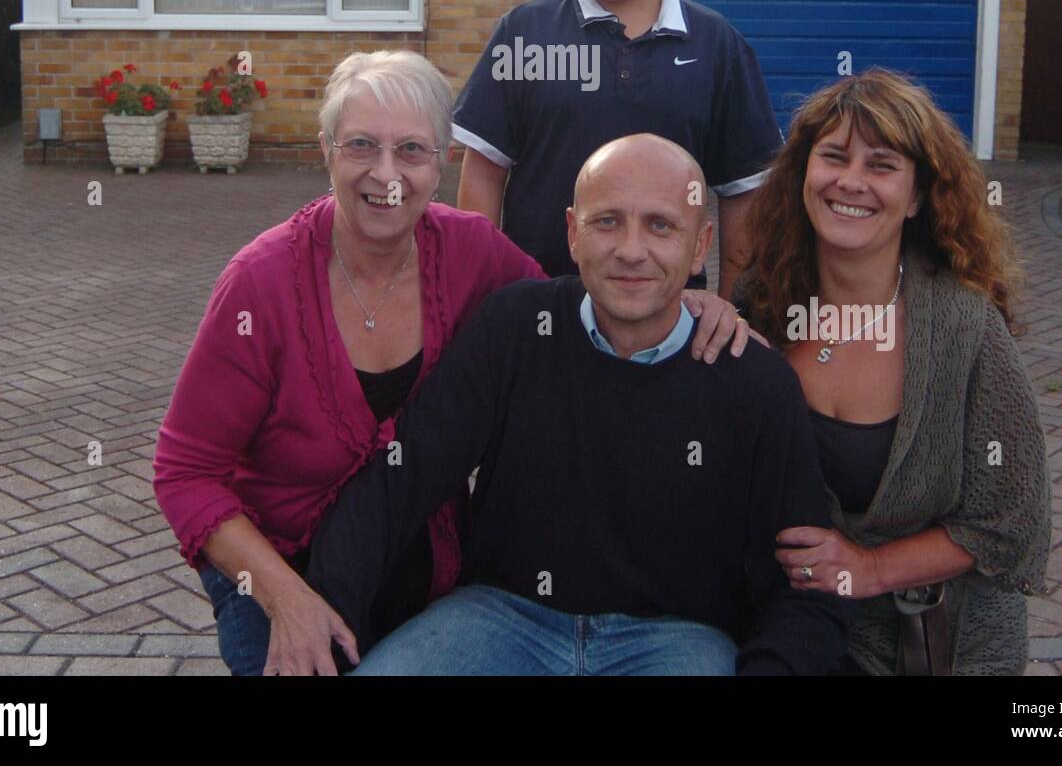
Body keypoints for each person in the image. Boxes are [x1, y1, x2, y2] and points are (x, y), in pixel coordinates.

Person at [153, 52, 750, 676]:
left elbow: (575, 309)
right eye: (361, 145)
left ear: (443, 161)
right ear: (326, 150)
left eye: (412, 150)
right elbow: (185, 473)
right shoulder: (261, 283)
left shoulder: (471, 253)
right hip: (277, 561)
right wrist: (285, 597)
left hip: (419, 550)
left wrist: (686, 302)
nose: (386, 173)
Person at [301, 134, 852, 676]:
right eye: (606, 221)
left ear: (699, 245)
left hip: (677, 637)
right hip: (500, 616)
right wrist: (322, 615)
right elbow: (401, 480)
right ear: (572, 233)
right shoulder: (514, 329)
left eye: (661, 226)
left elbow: (805, 579)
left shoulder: (754, 381)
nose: (631, 250)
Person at [733, 68, 1051, 676]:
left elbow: (1013, 520)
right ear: (803, 175)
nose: (851, 181)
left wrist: (871, 567)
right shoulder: (763, 303)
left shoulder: (963, 327)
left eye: (881, 166)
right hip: (789, 631)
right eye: (833, 157)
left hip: (932, 645)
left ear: (917, 197)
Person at [453, 0, 781, 295]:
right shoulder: (523, 34)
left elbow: (743, 190)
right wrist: (481, 291)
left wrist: (730, 305)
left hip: (669, 309)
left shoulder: (717, 45)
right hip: (538, 300)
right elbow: (484, 173)